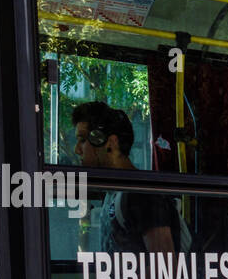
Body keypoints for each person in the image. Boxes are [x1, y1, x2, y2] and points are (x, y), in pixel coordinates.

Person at [70, 101, 185, 255]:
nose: (77, 150)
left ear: (110, 143)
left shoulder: (140, 195)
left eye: (83, 140)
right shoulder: (113, 195)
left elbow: (165, 270)